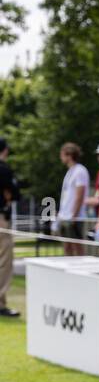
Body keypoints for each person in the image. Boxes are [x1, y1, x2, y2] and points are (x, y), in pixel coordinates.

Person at [57, 142, 89, 255]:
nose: (61, 157)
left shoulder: (80, 171)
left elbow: (79, 195)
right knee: (67, 248)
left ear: (69, 155)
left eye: (62, 154)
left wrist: (74, 216)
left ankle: (81, 271)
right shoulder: (70, 172)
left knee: (77, 247)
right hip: (65, 216)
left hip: (74, 217)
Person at [0, 136, 18, 317]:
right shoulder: (4, 169)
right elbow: (14, 194)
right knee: (4, 261)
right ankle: (0, 304)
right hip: (1, 218)